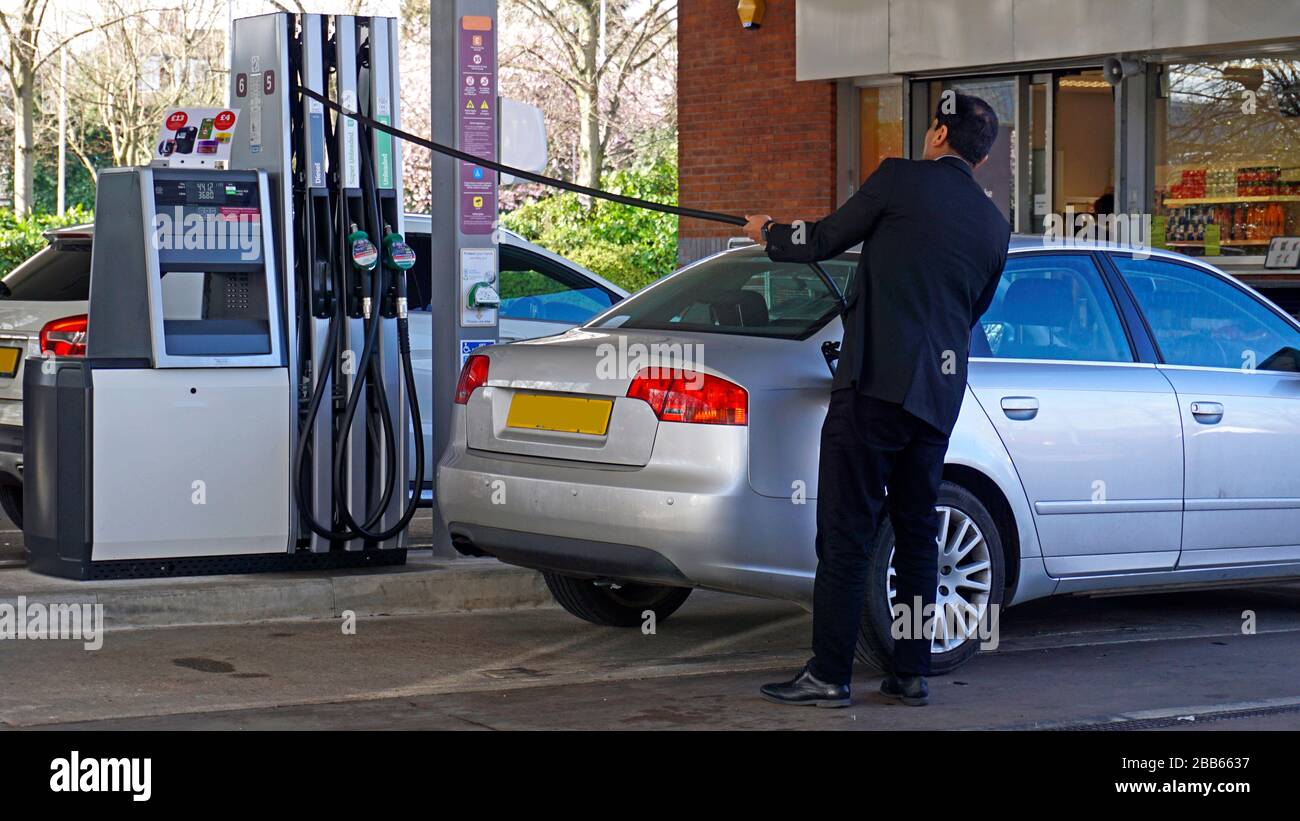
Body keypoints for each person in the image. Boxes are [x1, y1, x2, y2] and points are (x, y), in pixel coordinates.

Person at [744, 93, 1011, 708]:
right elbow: (972, 311)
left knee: (846, 530)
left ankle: (829, 674)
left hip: (872, 389)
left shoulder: (898, 180)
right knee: (918, 530)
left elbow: (824, 238)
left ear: (941, 134)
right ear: (983, 153)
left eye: (931, 127)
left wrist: (768, 234)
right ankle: (910, 673)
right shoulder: (993, 225)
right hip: (937, 397)